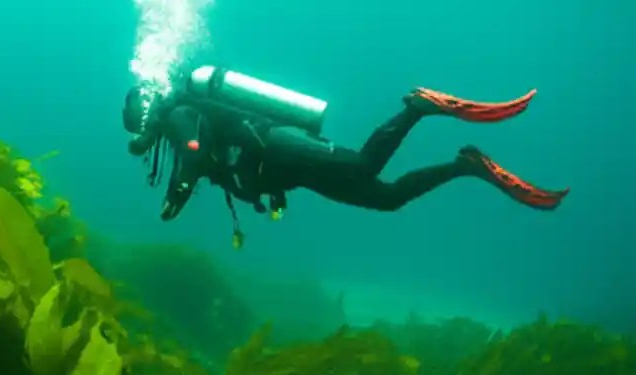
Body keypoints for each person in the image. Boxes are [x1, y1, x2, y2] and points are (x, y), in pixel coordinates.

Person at [123, 66, 569, 248]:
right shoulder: (183, 119)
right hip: (287, 168)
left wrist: (175, 201)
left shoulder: (180, 114)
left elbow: (195, 156)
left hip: (280, 144)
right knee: (385, 198)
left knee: (361, 166)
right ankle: (466, 166)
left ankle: (416, 106)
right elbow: (219, 163)